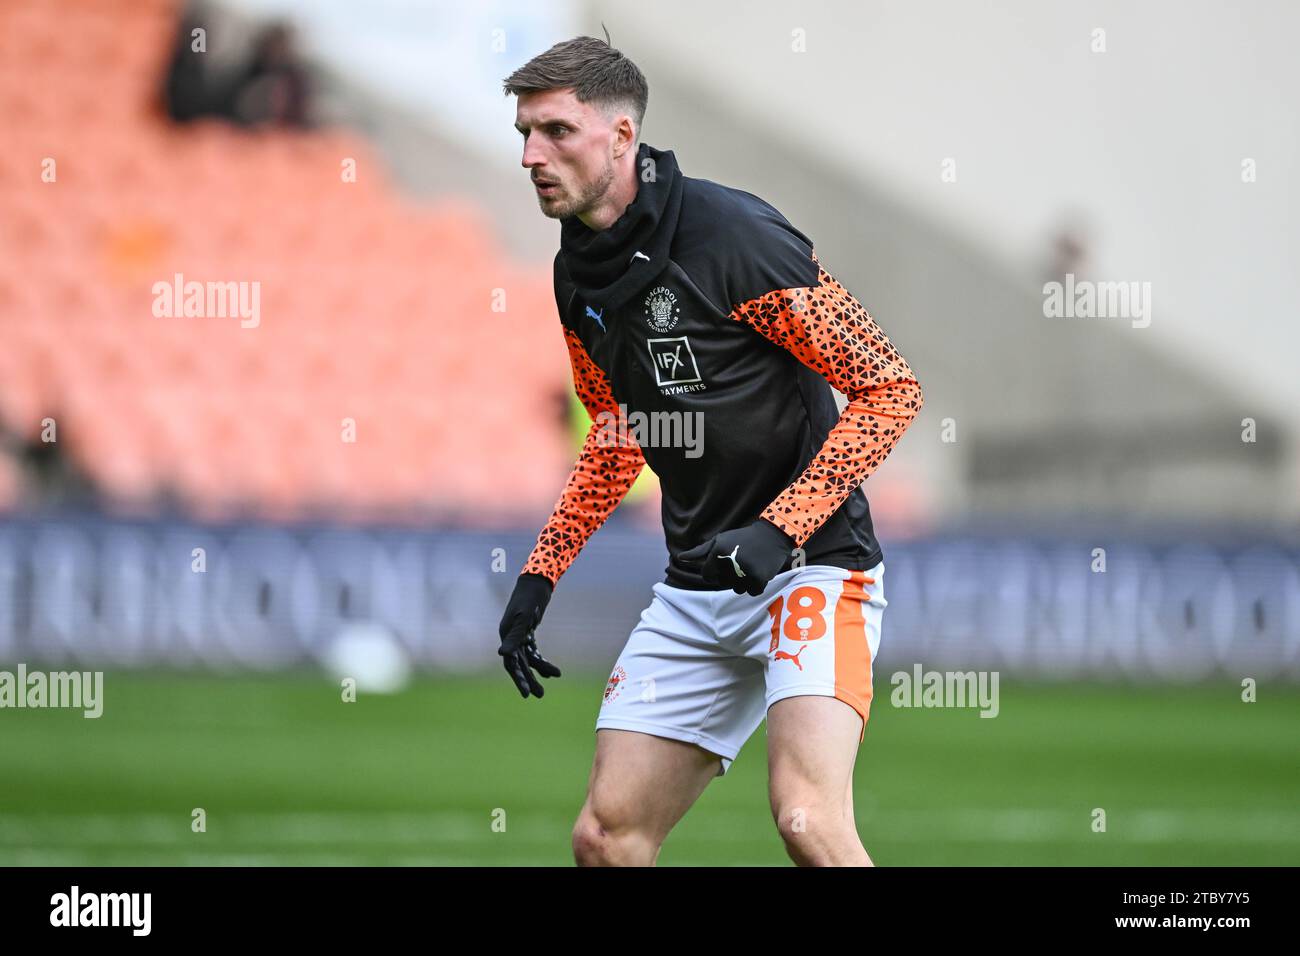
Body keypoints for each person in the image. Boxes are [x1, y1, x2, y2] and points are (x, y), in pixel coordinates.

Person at [497, 36, 923, 866]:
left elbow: (889, 388)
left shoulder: (736, 237)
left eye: (554, 131)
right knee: (606, 838)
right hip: (700, 583)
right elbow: (619, 435)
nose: (529, 156)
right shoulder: (575, 273)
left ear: (622, 137)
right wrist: (540, 573)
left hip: (812, 569)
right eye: (522, 133)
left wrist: (783, 527)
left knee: (807, 820)